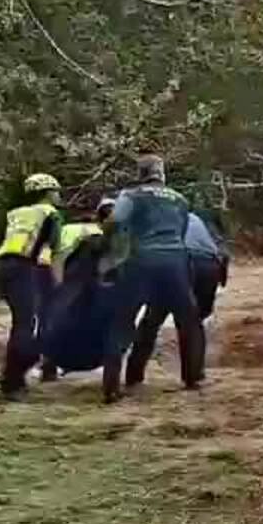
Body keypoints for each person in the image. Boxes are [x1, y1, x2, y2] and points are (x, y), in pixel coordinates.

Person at [106, 154, 204, 402]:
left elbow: (116, 222)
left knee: (123, 319)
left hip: (142, 260)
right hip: (175, 262)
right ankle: (192, 379)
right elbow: (182, 232)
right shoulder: (180, 200)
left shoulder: (131, 196)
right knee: (189, 320)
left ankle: (113, 386)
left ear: (140, 173)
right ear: (162, 173)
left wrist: (110, 243)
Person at [127, 206, 231, 382]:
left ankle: (134, 375)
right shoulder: (195, 218)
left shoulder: (154, 220)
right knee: (193, 322)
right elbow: (220, 250)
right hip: (208, 265)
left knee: (152, 319)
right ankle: (194, 376)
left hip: (178, 263)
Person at [0, 172, 62, 399]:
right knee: (27, 325)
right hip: (25, 266)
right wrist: (55, 282)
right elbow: (50, 251)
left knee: (21, 322)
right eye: (56, 191)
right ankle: (13, 382)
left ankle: (12, 378)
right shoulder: (50, 213)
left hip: (4, 265)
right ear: (47, 193)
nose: (58, 196)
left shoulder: (16, 213)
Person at [38, 198, 113, 383]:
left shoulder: (67, 229)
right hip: (94, 279)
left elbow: (57, 256)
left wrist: (57, 285)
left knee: (51, 317)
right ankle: (109, 367)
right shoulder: (110, 233)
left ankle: (49, 367)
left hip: (69, 276)